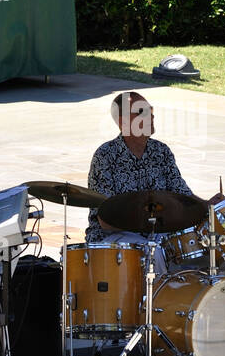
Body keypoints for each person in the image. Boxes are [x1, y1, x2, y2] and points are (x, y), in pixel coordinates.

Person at [85, 92, 215, 271]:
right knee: (153, 254)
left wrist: (209, 205)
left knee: (209, 253)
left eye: (150, 111)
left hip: (156, 235)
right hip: (114, 238)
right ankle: (160, 298)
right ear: (123, 122)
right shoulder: (105, 156)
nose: (151, 116)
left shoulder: (161, 152)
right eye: (141, 112)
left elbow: (183, 195)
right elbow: (105, 219)